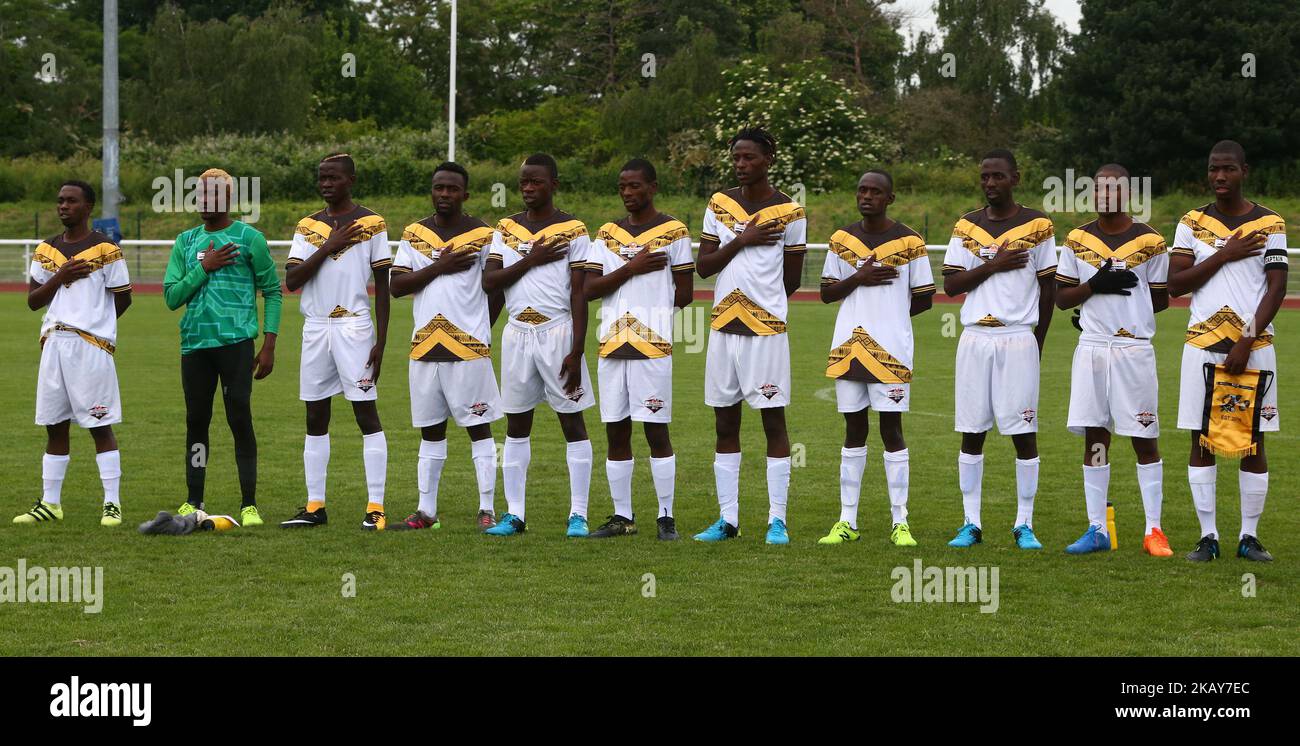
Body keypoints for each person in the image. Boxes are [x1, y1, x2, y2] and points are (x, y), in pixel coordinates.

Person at [1169, 140, 1287, 563]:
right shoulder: (1191, 222)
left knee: (1251, 442)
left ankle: (1249, 537)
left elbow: (1277, 288)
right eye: (1214, 169)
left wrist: (1245, 341)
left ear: (1244, 171)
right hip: (1201, 346)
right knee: (1201, 440)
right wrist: (1225, 253)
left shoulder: (1270, 222)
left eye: (1229, 169)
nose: (1220, 177)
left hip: (1253, 349)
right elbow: (1176, 284)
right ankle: (1208, 536)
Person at [694, 127, 806, 545]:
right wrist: (742, 240)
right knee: (725, 422)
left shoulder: (791, 212)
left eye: (749, 158)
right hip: (724, 329)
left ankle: (777, 520)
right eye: (736, 158)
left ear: (769, 159)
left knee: (773, 422)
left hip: (767, 332)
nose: (741, 165)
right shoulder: (719, 204)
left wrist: (762, 307)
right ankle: (728, 520)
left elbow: (790, 281)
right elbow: (704, 266)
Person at [941, 148, 1056, 550]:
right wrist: (992, 264)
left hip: (1018, 336)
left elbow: (1048, 287)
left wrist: (1037, 340)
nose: (990, 183)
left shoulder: (1038, 225)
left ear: (1015, 178)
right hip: (975, 337)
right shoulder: (966, 226)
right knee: (972, 432)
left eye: (998, 176)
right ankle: (970, 522)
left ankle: (1024, 523)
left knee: (1023, 432)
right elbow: (951, 286)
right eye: (985, 177)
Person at [1055, 163, 1171, 556]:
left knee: (1144, 438)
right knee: (1095, 437)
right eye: (1098, 190)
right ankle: (1096, 529)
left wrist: (1127, 317)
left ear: (1127, 193)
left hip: (1133, 350)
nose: (1105, 196)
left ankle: (1154, 530)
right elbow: (1061, 298)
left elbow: (1159, 300)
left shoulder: (1151, 240)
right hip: (1092, 349)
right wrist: (1095, 287)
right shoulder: (1076, 238)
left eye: (1113, 189)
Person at [816, 170, 933, 547]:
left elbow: (925, 297)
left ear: (890, 198)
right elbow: (827, 293)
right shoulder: (841, 240)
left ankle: (900, 522)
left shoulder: (911, 241)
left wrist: (890, 317)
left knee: (892, 431)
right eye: (862, 190)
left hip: (892, 352)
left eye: (876, 192)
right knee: (853, 432)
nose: (867, 196)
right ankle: (846, 520)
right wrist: (860, 278)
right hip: (849, 349)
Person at [481, 154, 595, 537]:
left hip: (558, 333)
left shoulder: (574, 229)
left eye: (536, 182)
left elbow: (580, 293)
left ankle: (578, 514)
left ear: (554, 184)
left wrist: (577, 350)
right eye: (523, 182)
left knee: (572, 422)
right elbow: (490, 282)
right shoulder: (506, 227)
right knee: (516, 425)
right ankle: (515, 515)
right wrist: (532, 258)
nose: (528, 189)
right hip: (516, 335)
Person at [387, 162, 504, 532]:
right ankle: (427, 512)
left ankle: (487, 509)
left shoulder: (485, 234)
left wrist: (481, 329)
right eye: (439, 188)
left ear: (465, 194)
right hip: (424, 348)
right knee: (430, 431)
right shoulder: (414, 233)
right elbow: (397, 286)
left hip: (468, 350)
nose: (444, 195)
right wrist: (440, 265)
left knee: (479, 428)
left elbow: (496, 288)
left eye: (452, 189)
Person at [278, 153, 392, 531]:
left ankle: (375, 506)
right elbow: (293, 280)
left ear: (351, 180)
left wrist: (381, 340)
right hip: (315, 327)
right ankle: (315, 506)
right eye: (321, 177)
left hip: (354, 327)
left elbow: (382, 287)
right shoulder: (308, 226)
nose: (326, 183)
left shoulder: (372, 224)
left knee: (365, 413)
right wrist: (328, 244)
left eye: (334, 178)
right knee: (315, 415)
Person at [163, 168, 281, 527]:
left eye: (212, 196)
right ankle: (193, 499)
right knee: (196, 422)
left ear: (228, 199)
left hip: (236, 345)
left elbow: (273, 291)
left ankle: (249, 504)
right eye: (199, 195)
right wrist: (205, 268)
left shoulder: (249, 238)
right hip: (195, 346)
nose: (204, 202)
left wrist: (269, 343)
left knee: (239, 419)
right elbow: (171, 297)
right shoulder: (185, 242)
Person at [583, 158, 694, 540]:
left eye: (635, 186)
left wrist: (653, 315)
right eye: (622, 187)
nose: (628, 193)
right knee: (616, 432)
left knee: (656, 432)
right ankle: (623, 517)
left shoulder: (674, 231)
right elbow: (589, 289)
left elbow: (686, 292)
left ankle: (666, 518)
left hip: (652, 348)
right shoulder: (607, 234)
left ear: (653, 187)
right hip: (611, 346)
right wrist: (632, 269)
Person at [15, 180, 132, 527]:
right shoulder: (46, 250)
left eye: (71, 201)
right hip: (53, 344)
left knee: (100, 424)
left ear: (88, 207)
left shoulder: (105, 249)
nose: (63, 206)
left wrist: (96, 324)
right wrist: (60, 276)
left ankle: (112, 503)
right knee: (54, 426)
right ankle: (51, 503)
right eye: (60, 201)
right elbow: (34, 301)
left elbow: (122, 298)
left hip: (91, 346)